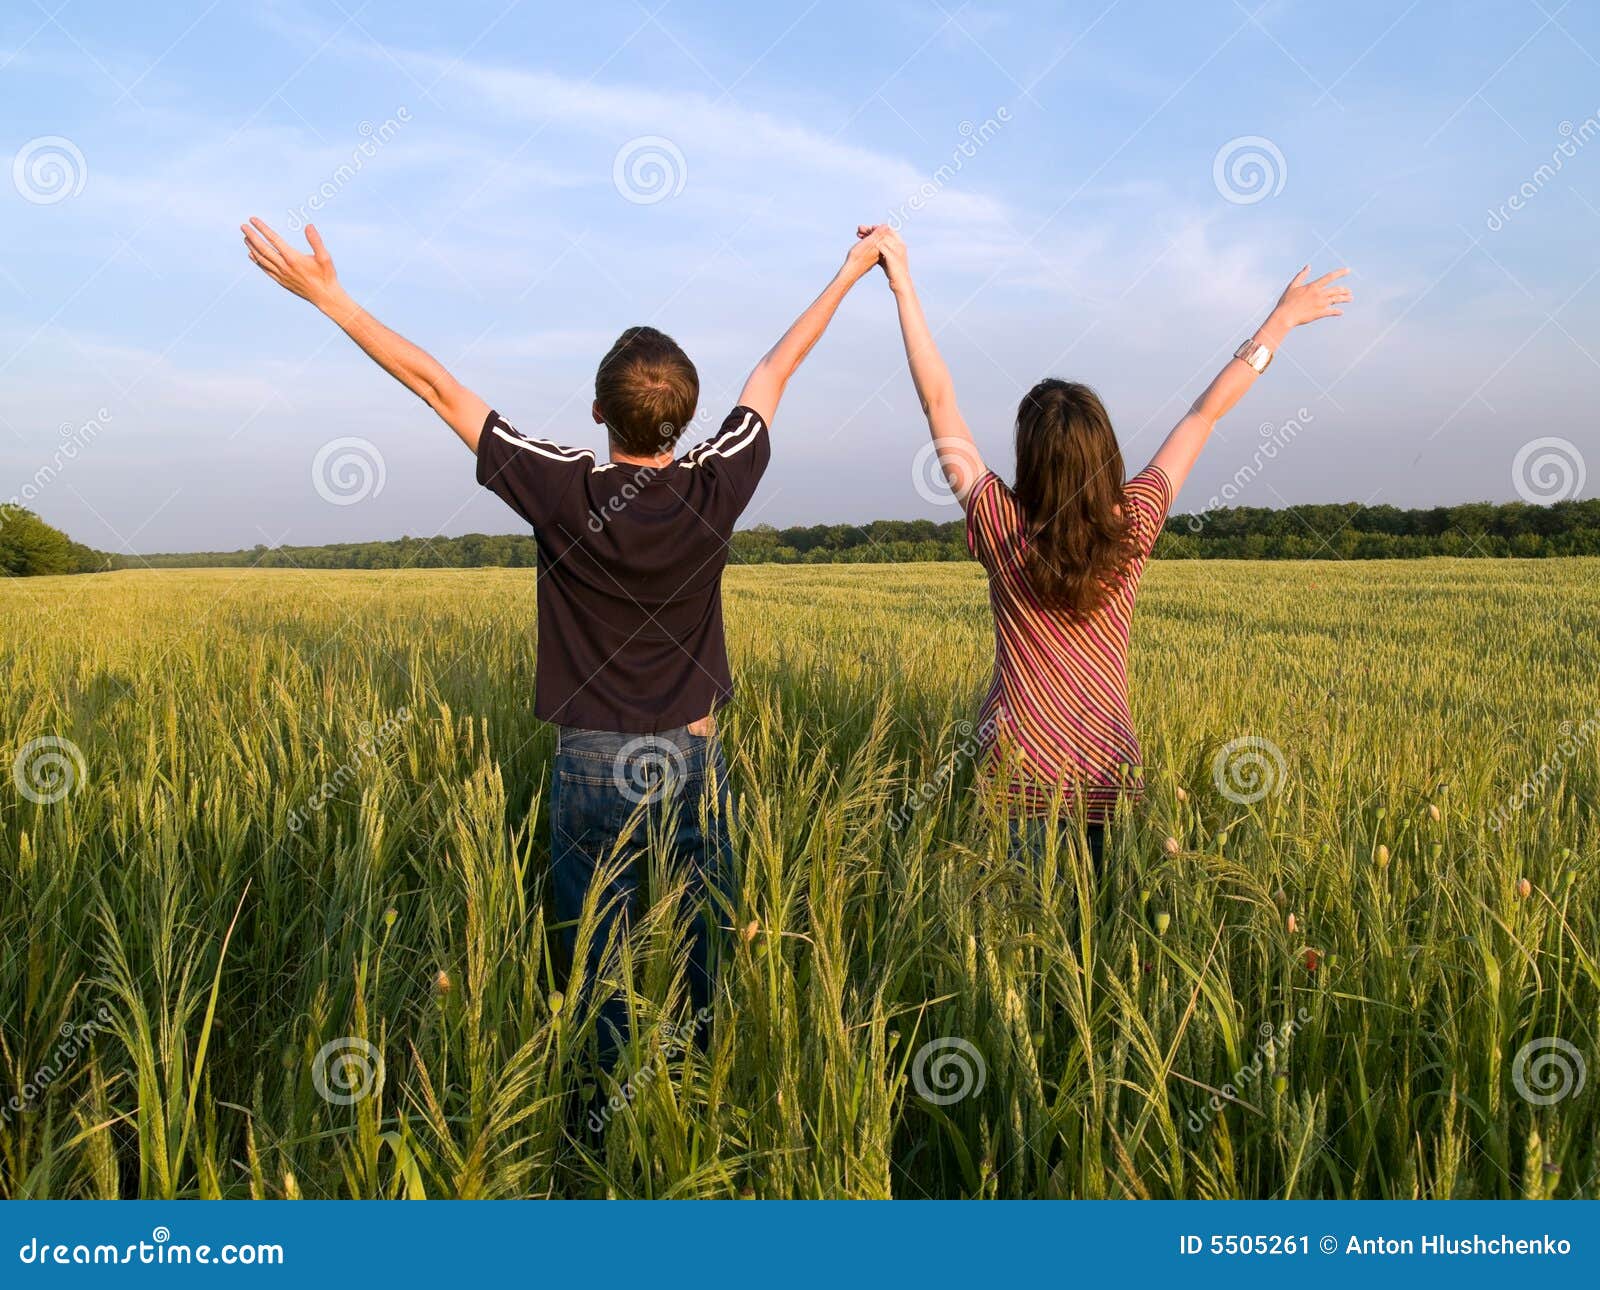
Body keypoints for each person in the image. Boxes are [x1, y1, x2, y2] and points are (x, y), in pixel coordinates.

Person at [240, 216, 894, 1063]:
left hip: (589, 757)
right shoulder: (717, 480)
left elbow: (437, 386)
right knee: (703, 948)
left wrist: (330, 297)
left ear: (596, 412)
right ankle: (693, 1096)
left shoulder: (563, 486)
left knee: (597, 965)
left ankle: (599, 1124)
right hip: (694, 753)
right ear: (689, 418)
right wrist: (850, 271)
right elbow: (776, 370)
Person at [867, 225, 1351, 864]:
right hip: (1107, 770)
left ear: (1027, 457)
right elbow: (1204, 415)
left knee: (1020, 950)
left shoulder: (997, 521)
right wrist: (1280, 322)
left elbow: (938, 400)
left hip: (1016, 777)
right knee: (1097, 941)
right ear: (1107, 451)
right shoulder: (1136, 521)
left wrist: (901, 281)